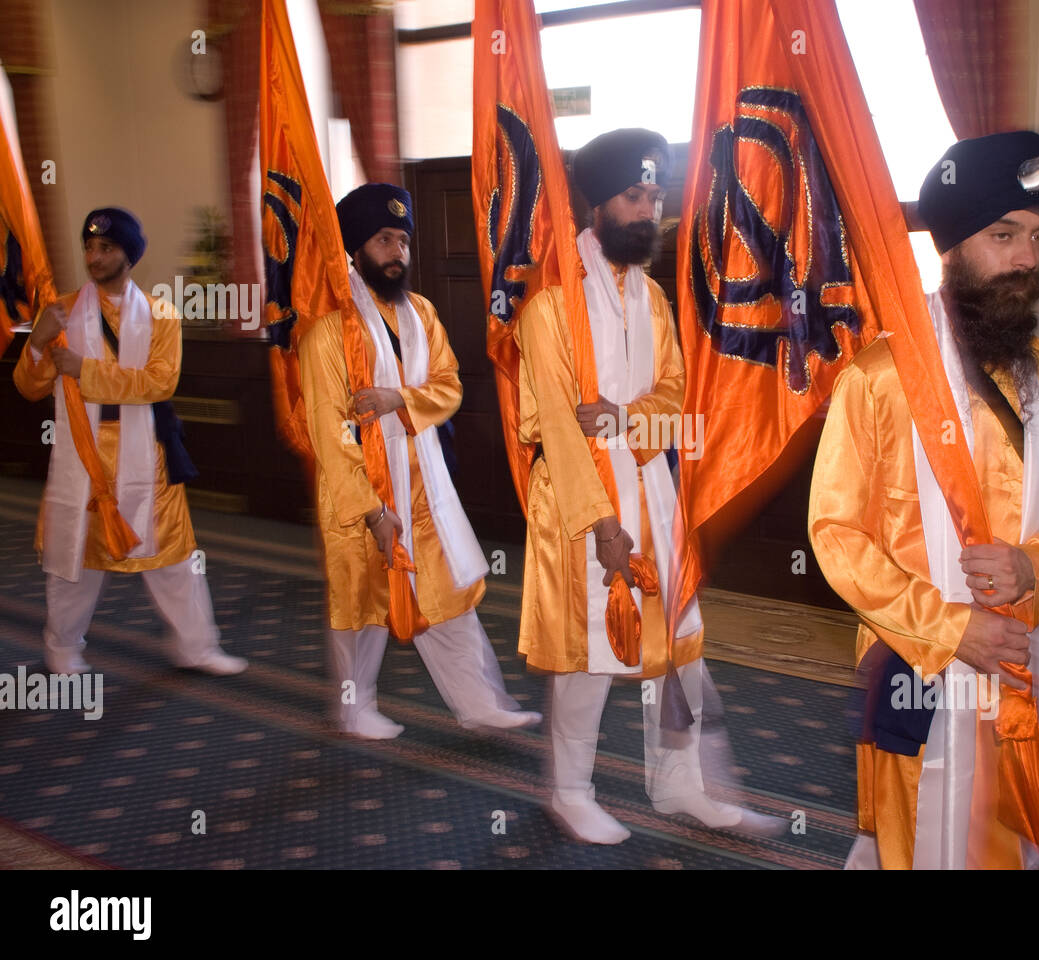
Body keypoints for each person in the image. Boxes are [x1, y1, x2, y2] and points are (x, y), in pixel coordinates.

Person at [808, 131, 1039, 869]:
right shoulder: (878, 379)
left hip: (1024, 666)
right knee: (922, 837)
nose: (1028, 260)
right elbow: (836, 531)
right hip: (918, 669)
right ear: (951, 248)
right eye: (1003, 235)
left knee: (1012, 836)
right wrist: (948, 630)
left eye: (1036, 236)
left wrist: (1036, 563)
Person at [515, 129, 750, 843]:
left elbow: (673, 399)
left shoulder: (650, 296)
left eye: (654, 195)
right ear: (599, 206)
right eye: (634, 196)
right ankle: (569, 789)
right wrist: (601, 526)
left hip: (651, 490)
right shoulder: (552, 304)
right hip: (582, 504)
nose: (649, 209)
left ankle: (680, 784)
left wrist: (623, 417)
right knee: (588, 650)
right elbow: (551, 424)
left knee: (677, 640)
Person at [297, 183, 540, 739]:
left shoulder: (421, 313)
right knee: (362, 610)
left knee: (445, 595)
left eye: (403, 240)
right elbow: (329, 436)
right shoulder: (329, 331)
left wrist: (399, 400)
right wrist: (373, 513)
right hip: (359, 494)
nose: (397, 252)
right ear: (356, 249)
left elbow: (449, 386)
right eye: (384, 240)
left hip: (424, 486)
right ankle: (355, 709)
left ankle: (481, 704)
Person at [13, 207, 246, 677]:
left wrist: (87, 370)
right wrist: (38, 344)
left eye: (106, 248)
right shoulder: (60, 310)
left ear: (129, 254)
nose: (94, 257)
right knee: (74, 559)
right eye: (89, 247)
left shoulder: (161, 315)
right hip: (82, 453)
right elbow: (28, 386)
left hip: (148, 456)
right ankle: (62, 650)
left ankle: (196, 647)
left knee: (175, 558)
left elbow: (160, 382)